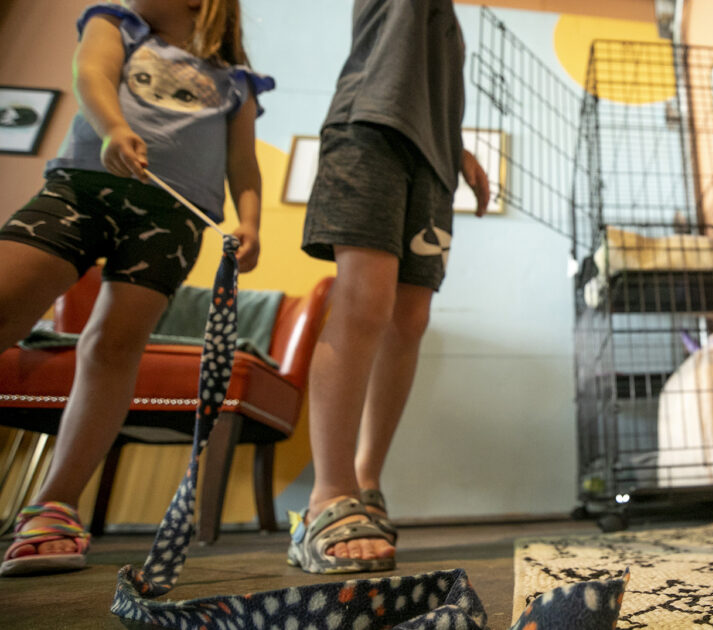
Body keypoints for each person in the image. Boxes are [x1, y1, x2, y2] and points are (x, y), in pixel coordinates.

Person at [0, 0, 270, 577]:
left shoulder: (238, 84)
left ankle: (55, 507)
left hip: (173, 220)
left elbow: (244, 164)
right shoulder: (115, 24)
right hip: (80, 189)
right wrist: (114, 128)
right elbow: (90, 73)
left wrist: (251, 222)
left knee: (114, 347)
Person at [289, 0, 489, 574]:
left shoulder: (448, 23)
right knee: (363, 303)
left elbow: (424, 89)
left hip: (434, 159)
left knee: (409, 321)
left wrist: (455, 146)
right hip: (369, 131)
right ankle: (328, 495)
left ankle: (364, 478)